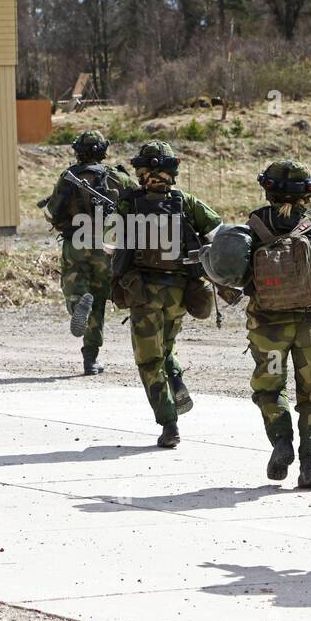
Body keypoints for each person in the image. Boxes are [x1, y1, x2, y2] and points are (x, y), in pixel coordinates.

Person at [242, 160, 311, 489]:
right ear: (308, 192)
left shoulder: (253, 225)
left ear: (267, 189)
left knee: (269, 388)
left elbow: (233, 272)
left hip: (267, 328)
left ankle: (281, 442)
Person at [111, 140, 221, 448]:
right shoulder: (186, 202)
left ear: (142, 172)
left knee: (149, 360)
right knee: (166, 347)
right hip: (179, 292)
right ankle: (176, 380)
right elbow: (218, 234)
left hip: (143, 292)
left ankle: (169, 422)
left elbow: (108, 244)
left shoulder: (129, 202)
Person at [41, 130, 137, 374]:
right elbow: (137, 204)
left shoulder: (68, 177)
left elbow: (51, 214)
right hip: (107, 245)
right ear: (103, 150)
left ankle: (76, 306)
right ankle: (91, 359)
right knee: (98, 301)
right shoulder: (117, 177)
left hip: (76, 243)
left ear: (77, 151)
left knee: (76, 291)